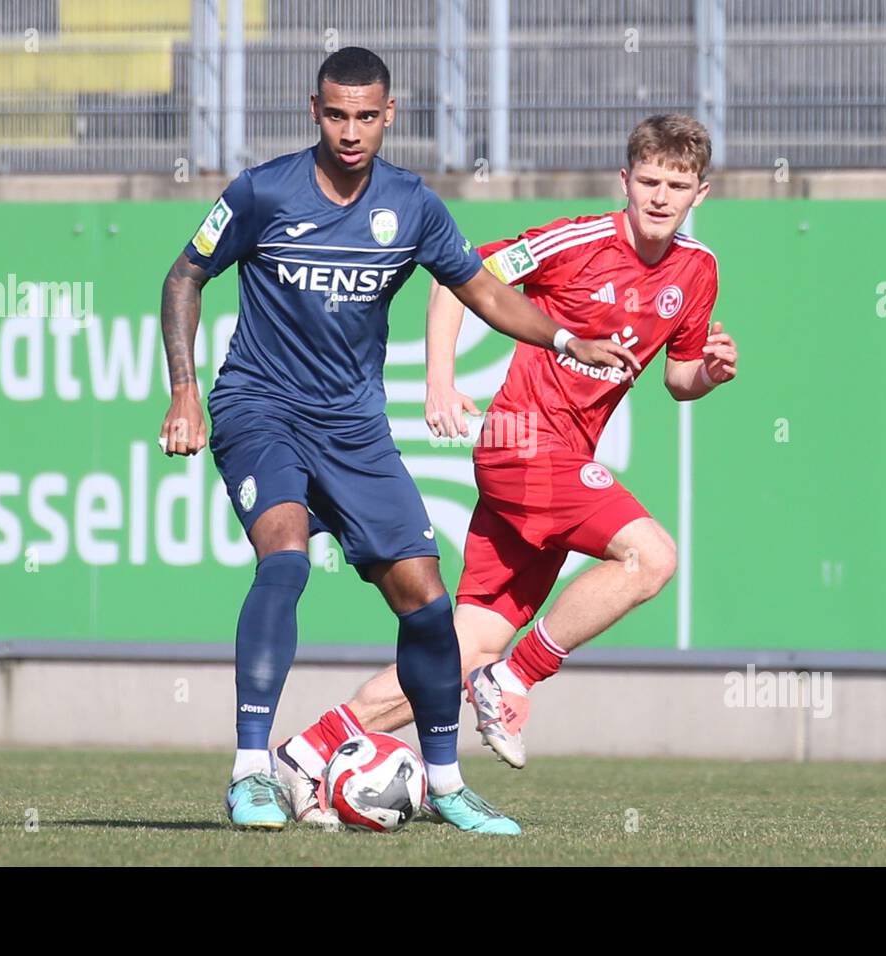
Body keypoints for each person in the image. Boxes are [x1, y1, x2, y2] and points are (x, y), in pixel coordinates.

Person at [157, 47, 637, 835]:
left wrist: (564, 339)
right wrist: (184, 389)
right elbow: (184, 276)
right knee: (283, 559)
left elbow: (479, 288)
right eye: (337, 115)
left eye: (366, 116)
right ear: (315, 111)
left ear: (389, 115)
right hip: (260, 407)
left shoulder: (413, 205)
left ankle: (445, 783)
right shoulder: (261, 191)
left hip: (353, 425)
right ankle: (250, 774)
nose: (351, 132)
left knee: (425, 600)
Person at [277, 113, 738, 826]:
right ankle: (518, 677)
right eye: (647, 180)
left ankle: (304, 754)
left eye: (676, 185)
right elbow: (460, 276)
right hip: (524, 447)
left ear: (698, 194)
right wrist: (439, 377)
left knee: (458, 653)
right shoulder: (581, 240)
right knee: (651, 558)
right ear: (625, 180)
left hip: (558, 464)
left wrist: (708, 372)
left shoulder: (698, 270)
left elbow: (679, 379)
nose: (659, 196)